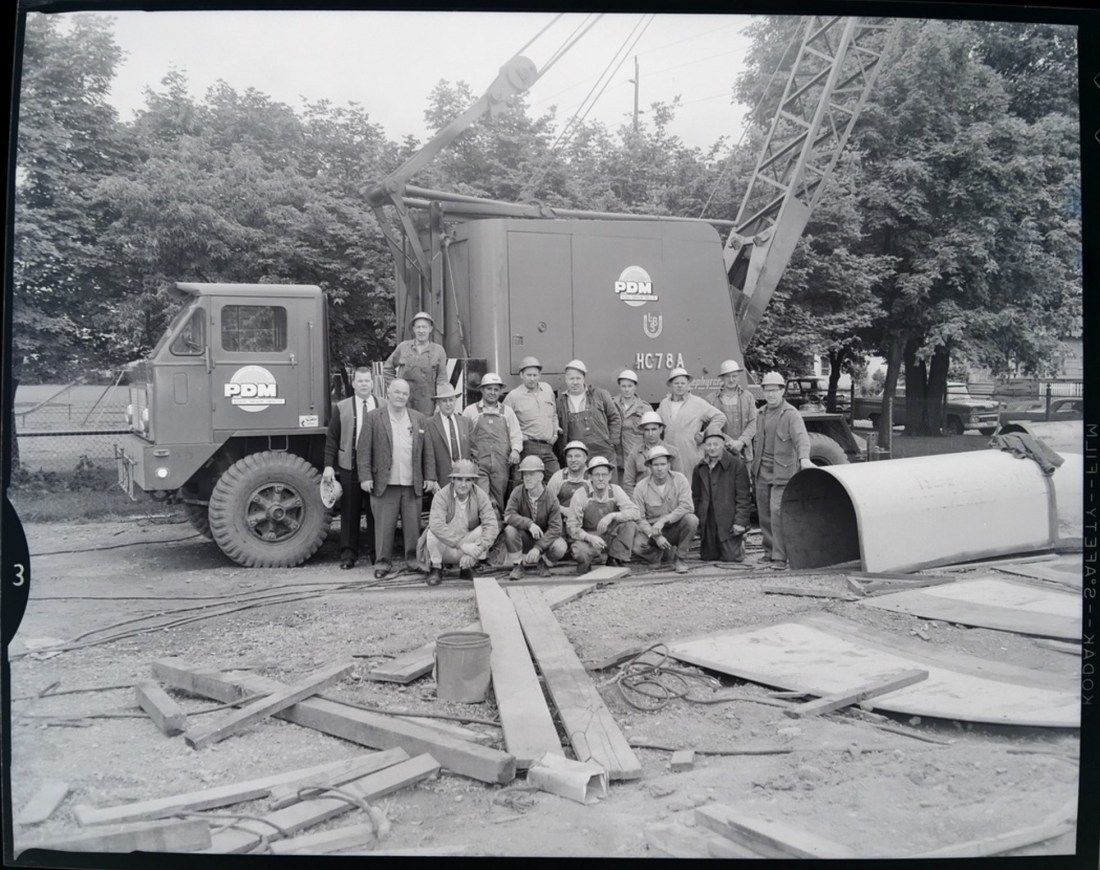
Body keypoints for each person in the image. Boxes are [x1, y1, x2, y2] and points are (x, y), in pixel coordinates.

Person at [358, 378, 437, 579]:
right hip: (385, 483)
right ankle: (383, 563)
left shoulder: (418, 418)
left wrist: (429, 476)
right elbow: (364, 450)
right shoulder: (373, 417)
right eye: (397, 392)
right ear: (388, 393)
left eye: (404, 393)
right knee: (384, 527)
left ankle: (413, 561)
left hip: (412, 483)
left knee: (412, 527)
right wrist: (365, 477)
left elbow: (427, 451)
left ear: (408, 396)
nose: (401, 396)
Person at [752, 371, 813, 570]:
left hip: (783, 473)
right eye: (767, 390)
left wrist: (804, 459)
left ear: (782, 391)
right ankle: (769, 552)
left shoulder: (791, 415)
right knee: (764, 514)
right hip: (762, 472)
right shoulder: (761, 413)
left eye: (774, 391)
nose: (770, 395)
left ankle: (780, 557)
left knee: (777, 512)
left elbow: (802, 439)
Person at [322, 366, 378, 569]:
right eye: (360, 381)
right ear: (353, 384)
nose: (364, 384)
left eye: (367, 380)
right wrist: (329, 466)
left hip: (375, 469)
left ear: (372, 383)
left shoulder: (382, 405)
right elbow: (332, 439)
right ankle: (348, 555)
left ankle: (376, 554)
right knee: (349, 512)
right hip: (349, 467)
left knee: (375, 513)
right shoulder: (342, 407)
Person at [416, 459, 499, 586]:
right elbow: (436, 524)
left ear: (473, 482)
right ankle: (436, 568)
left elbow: (491, 524)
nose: (463, 484)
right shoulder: (441, 495)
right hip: (446, 547)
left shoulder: (480, 495)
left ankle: (466, 568)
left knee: (485, 529)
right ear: (452, 480)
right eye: (459, 479)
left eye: (468, 480)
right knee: (432, 531)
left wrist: (478, 550)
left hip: (468, 548)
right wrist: (461, 544)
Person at [631, 445, 699, 575]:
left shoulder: (680, 480)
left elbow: (687, 506)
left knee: (691, 519)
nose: (660, 468)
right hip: (651, 532)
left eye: (663, 464)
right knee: (635, 544)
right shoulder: (641, 487)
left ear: (669, 465)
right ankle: (656, 555)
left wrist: (664, 520)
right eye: (655, 465)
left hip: (673, 528)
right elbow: (640, 518)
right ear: (649, 467)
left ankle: (680, 559)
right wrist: (655, 536)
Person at [566, 455, 640, 574]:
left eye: (604, 475)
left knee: (630, 525)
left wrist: (613, 516)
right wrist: (589, 537)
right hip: (589, 537)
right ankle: (586, 565)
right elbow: (571, 527)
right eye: (596, 475)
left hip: (610, 535)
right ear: (590, 476)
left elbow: (635, 513)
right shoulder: (581, 494)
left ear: (610, 476)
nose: (601, 478)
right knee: (580, 552)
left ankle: (614, 559)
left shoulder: (615, 490)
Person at [463, 372, 523, 515]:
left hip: (501, 463)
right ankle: (484, 528)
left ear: (500, 391)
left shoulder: (507, 412)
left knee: (499, 499)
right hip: (479, 463)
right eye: (489, 389)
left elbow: (516, 434)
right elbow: (463, 436)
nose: (492, 392)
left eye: (496, 389)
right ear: (482, 390)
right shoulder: (470, 411)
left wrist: (515, 450)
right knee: (482, 497)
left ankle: (497, 530)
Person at [502, 455, 568, 581]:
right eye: (525, 474)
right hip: (525, 537)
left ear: (541, 477)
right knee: (510, 530)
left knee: (560, 547)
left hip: (545, 539)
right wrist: (529, 524)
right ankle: (517, 565)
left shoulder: (550, 496)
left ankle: (543, 562)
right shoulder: (518, 491)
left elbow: (555, 528)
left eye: (531, 474)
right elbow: (508, 516)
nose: (527, 478)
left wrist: (538, 548)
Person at [692, 425, 752, 563]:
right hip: (709, 521)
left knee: (731, 558)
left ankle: (740, 542)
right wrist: (698, 523)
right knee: (708, 557)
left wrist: (740, 523)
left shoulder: (736, 465)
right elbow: (695, 497)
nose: (712, 448)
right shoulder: (700, 468)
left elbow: (743, 497)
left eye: (716, 444)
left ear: (723, 445)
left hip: (728, 521)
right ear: (704, 446)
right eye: (708, 445)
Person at [555, 359, 621, 476]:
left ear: (584, 379)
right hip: (577, 455)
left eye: (578, 378)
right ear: (566, 380)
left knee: (607, 485)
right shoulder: (560, 402)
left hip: (604, 451)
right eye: (571, 379)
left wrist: (612, 442)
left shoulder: (600, 395)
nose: (575, 382)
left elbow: (614, 418)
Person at [504, 356, 561, 480]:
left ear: (539, 375)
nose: (532, 379)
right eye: (528, 375)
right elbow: (504, 423)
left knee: (557, 480)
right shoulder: (513, 396)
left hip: (548, 447)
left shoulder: (547, 389)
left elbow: (554, 414)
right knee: (526, 483)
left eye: (535, 375)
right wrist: (518, 441)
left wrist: (555, 434)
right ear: (521, 375)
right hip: (527, 448)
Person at [658, 367, 725, 470]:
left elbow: (720, 417)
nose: (680, 386)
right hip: (668, 454)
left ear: (688, 385)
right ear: (670, 385)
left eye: (683, 383)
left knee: (689, 483)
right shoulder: (664, 404)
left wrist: (704, 434)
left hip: (689, 453)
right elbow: (656, 423)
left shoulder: (698, 403)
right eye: (676, 383)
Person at [382, 311, 448, 417]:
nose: (421, 331)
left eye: (424, 327)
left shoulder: (438, 351)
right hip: (403, 401)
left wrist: (439, 403)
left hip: (427, 404)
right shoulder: (403, 347)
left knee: (424, 430)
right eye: (418, 327)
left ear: (430, 329)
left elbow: (442, 380)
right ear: (413, 329)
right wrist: (395, 388)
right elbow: (387, 369)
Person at [703, 359, 758, 468]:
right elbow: (708, 427)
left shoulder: (748, 397)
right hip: (719, 453)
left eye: (734, 376)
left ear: (739, 377)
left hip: (744, 453)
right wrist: (728, 442)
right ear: (722, 378)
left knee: (744, 483)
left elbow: (753, 422)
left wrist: (741, 442)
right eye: (728, 376)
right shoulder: (711, 400)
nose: (731, 379)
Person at [622, 410, 683, 496]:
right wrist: (637, 504)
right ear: (642, 431)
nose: (650, 434)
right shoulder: (635, 453)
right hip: (642, 501)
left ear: (661, 429)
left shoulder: (673, 452)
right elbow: (628, 483)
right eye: (647, 430)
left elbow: (679, 482)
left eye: (654, 429)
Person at [426, 383, 472, 484]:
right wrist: (432, 479)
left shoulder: (465, 422)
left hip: (464, 477)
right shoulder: (429, 423)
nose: (448, 404)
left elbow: (473, 450)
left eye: (451, 400)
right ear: (438, 403)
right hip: (441, 478)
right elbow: (428, 455)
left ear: (455, 401)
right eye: (444, 401)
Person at [613, 369, 647, 482]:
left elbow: (651, 434)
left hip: (637, 459)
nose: (626, 389)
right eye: (623, 386)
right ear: (619, 386)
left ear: (635, 386)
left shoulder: (645, 408)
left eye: (630, 386)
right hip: (617, 459)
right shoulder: (611, 405)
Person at [545, 440, 591, 508]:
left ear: (585, 458)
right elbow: (547, 503)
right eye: (569, 456)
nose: (573, 460)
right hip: (562, 517)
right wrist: (565, 511)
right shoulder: (558, 477)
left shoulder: (592, 477)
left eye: (577, 456)